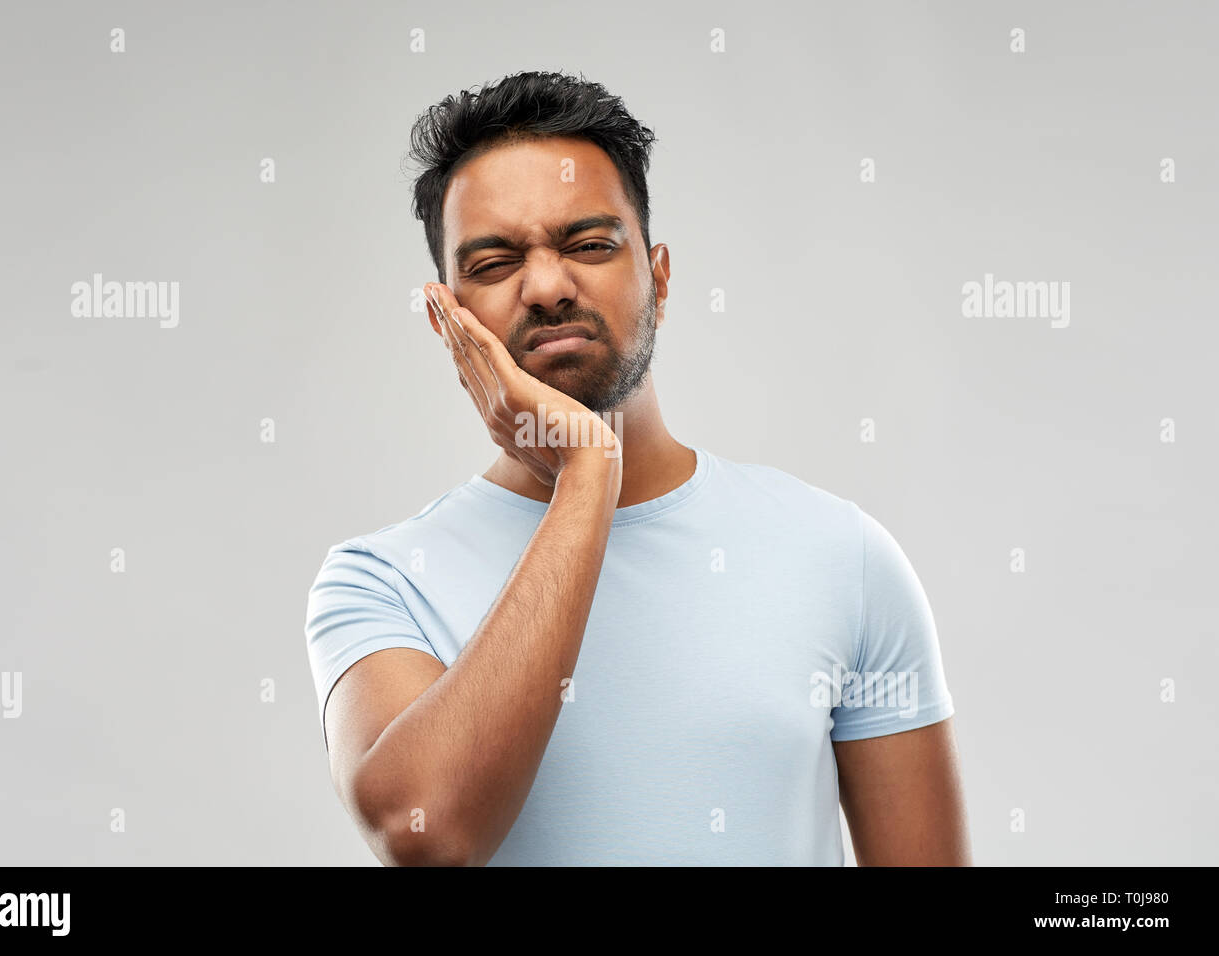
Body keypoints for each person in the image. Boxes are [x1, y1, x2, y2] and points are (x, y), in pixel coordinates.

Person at [305, 70, 970, 866]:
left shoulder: (843, 556)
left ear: (657, 277)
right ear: (446, 317)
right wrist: (588, 471)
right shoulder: (380, 581)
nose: (548, 287)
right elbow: (429, 833)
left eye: (588, 245)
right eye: (493, 263)